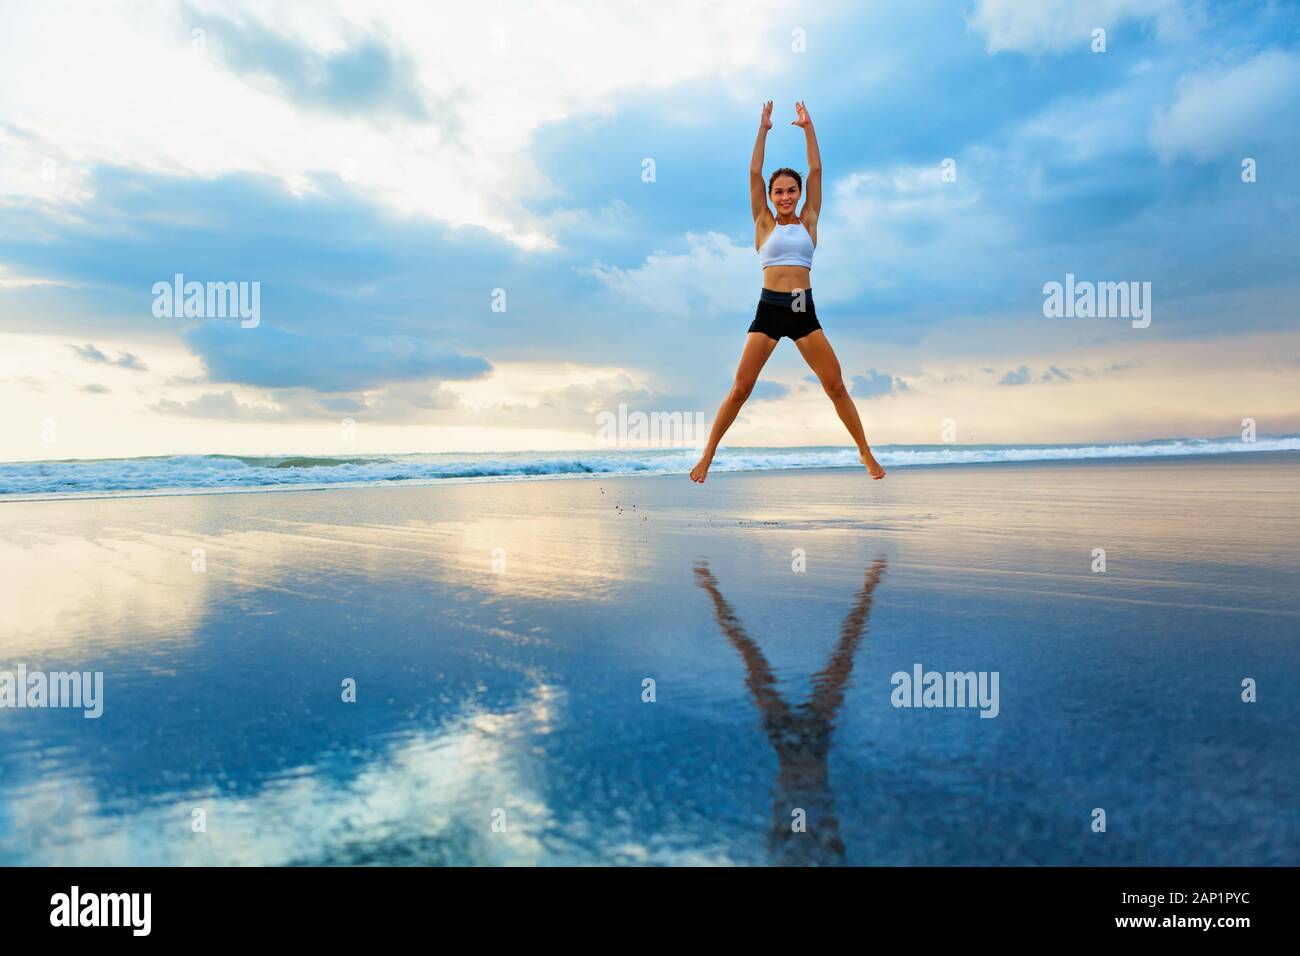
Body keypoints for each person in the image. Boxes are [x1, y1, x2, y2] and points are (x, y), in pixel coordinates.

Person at [690, 100, 887, 484]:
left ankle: (864, 451)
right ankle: (708, 454)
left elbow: (816, 169)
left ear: (798, 194)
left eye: (790, 191)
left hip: (802, 309)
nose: (784, 197)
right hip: (769, 308)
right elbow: (752, 170)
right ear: (771, 195)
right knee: (740, 389)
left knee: (835, 385)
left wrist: (808, 127)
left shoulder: (808, 221)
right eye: (778, 192)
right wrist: (763, 128)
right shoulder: (763, 222)